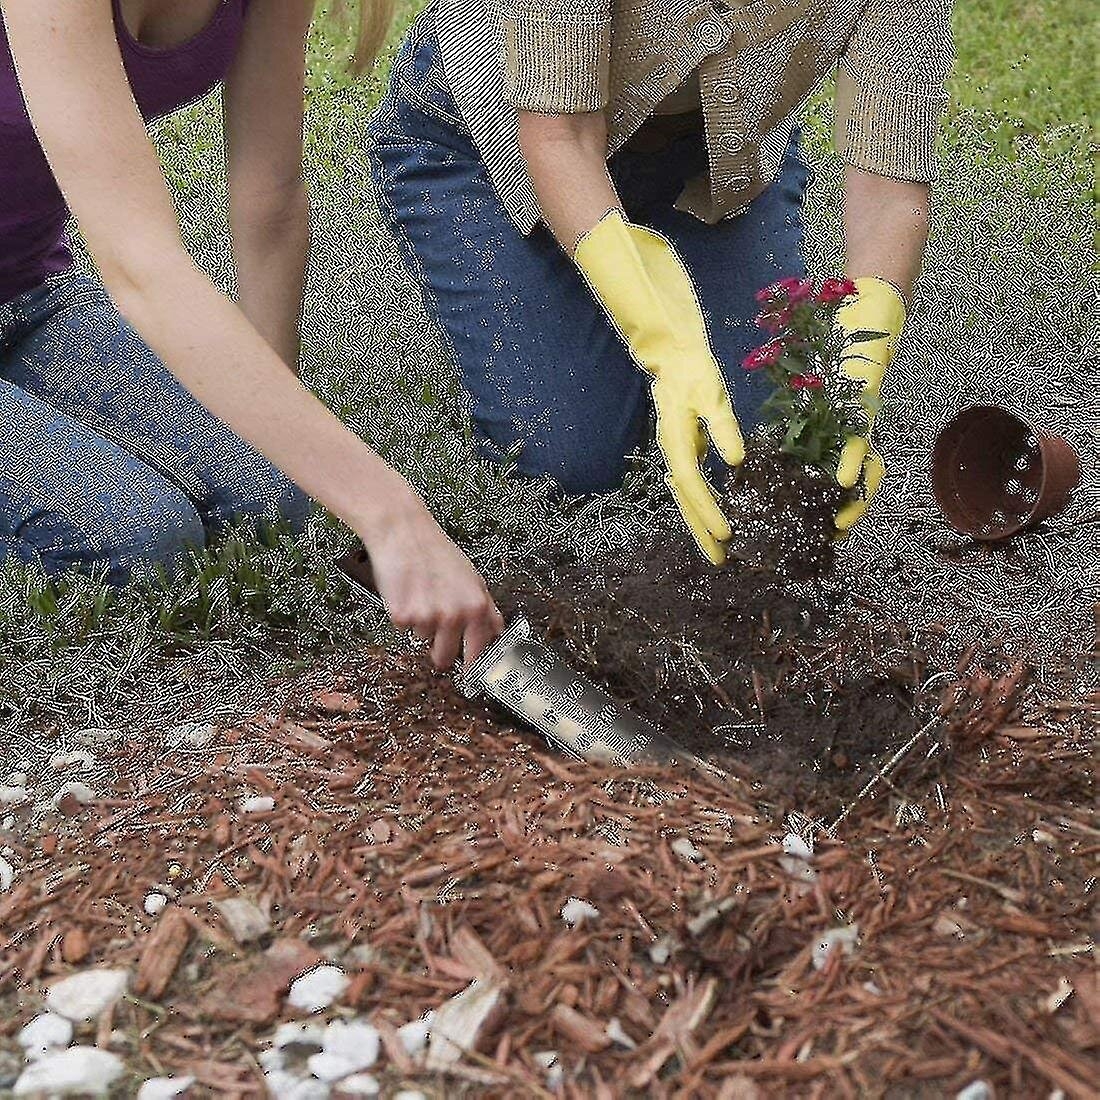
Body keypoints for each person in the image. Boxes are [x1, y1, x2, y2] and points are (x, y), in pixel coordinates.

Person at [0, 0, 503, 671]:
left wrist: (281, 448)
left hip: (28, 292)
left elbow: (268, 197)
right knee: (132, 540)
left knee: (267, 496)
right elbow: (142, 267)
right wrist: (392, 513)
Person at [368, 0, 955, 564]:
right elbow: (556, 138)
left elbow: (890, 181)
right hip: (500, 134)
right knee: (574, 464)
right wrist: (663, 344)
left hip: (716, 156)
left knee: (765, 452)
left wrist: (859, 366)